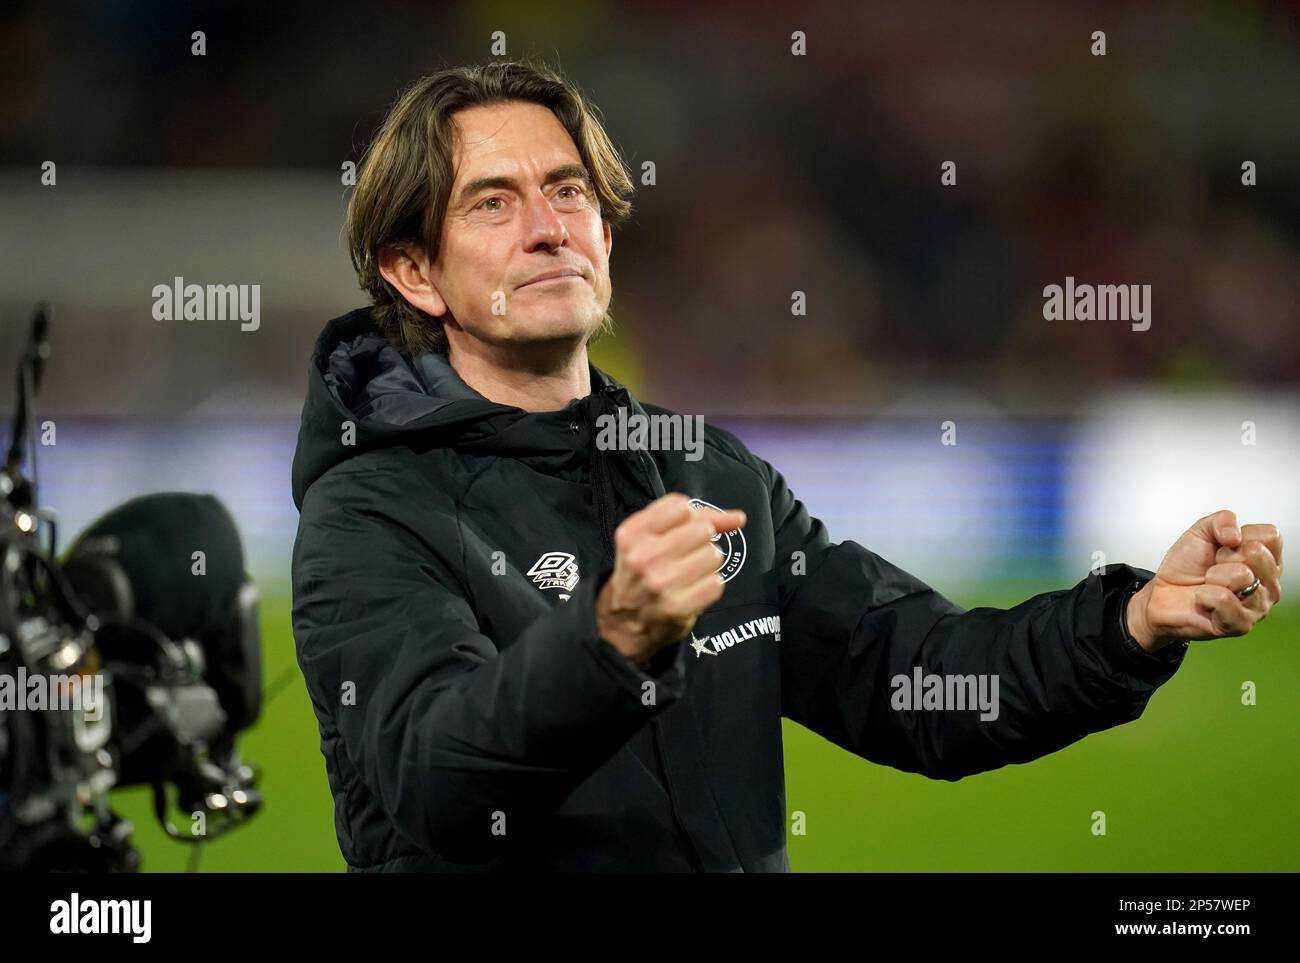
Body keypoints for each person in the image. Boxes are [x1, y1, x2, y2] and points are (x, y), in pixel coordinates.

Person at [290, 59, 1283, 872]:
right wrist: (610, 641)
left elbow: (920, 682)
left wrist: (1129, 621)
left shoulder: (707, 475)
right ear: (413, 271)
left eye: (568, 191)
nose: (548, 226)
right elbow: (436, 789)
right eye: (493, 204)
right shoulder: (370, 513)